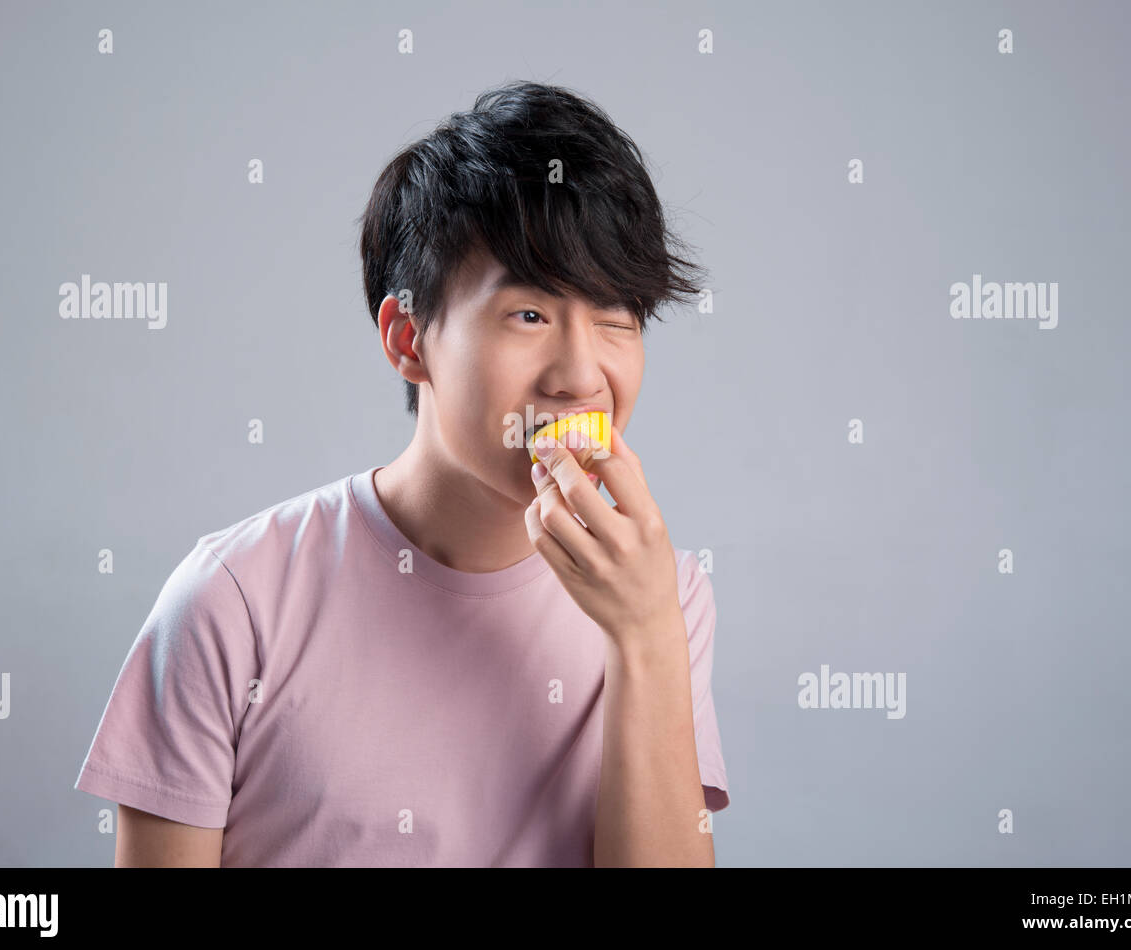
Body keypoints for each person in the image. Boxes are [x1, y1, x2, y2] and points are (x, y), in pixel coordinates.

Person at [74, 80, 730, 867]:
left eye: (616, 318)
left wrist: (646, 634)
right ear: (408, 338)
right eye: (530, 314)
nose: (580, 374)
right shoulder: (233, 600)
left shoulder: (669, 595)